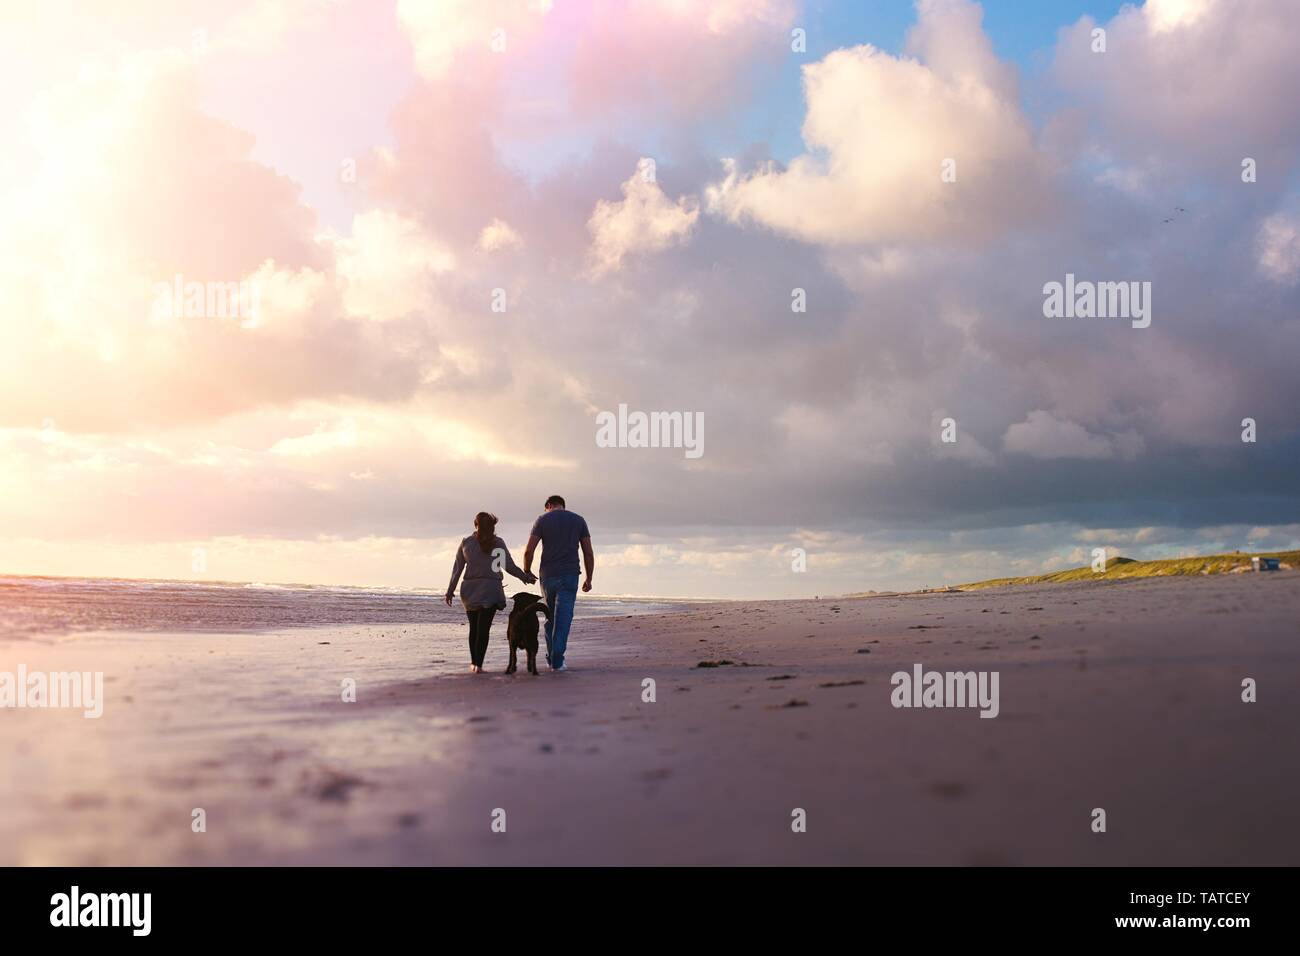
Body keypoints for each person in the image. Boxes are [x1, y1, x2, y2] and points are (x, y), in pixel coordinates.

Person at [445, 512, 535, 673]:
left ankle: (474, 664)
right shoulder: (498, 543)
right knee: (483, 629)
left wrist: (450, 591)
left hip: (470, 590)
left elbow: (457, 569)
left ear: (475, 524)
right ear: (493, 526)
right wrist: (525, 577)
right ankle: (479, 664)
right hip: (491, 589)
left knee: (474, 628)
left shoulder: (466, 543)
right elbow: (508, 566)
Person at [523, 495, 593, 671]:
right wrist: (589, 578)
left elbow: (529, 550)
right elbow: (588, 553)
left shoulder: (542, 519)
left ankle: (551, 657)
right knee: (564, 618)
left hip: (548, 575)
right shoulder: (578, 520)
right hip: (570, 575)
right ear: (562, 505)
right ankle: (557, 660)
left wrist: (527, 570)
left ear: (548, 505)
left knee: (550, 617)